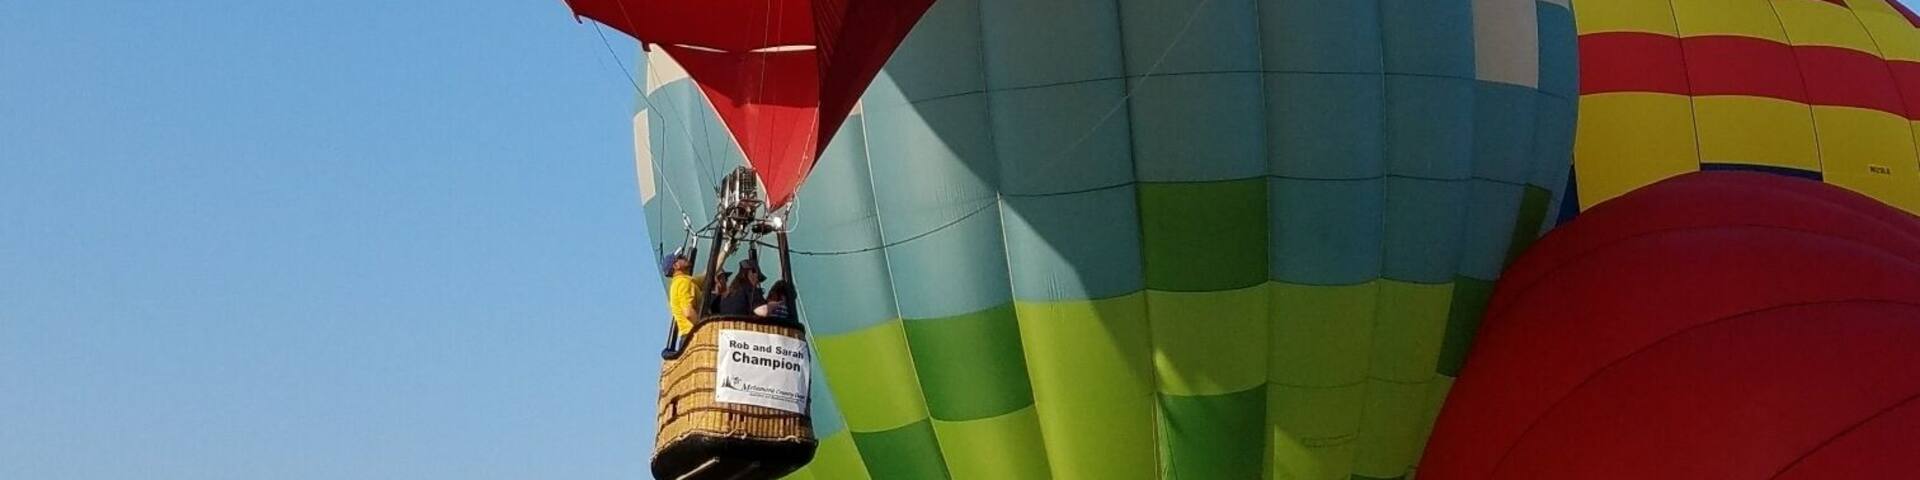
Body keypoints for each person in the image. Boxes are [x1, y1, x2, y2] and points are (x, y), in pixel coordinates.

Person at [664, 254, 702, 352]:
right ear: (676, 266)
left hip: (686, 337)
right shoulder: (683, 283)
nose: (685, 257)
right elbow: (688, 312)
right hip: (692, 336)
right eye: (680, 258)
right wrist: (704, 328)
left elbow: (708, 275)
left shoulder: (681, 282)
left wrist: (725, 251)